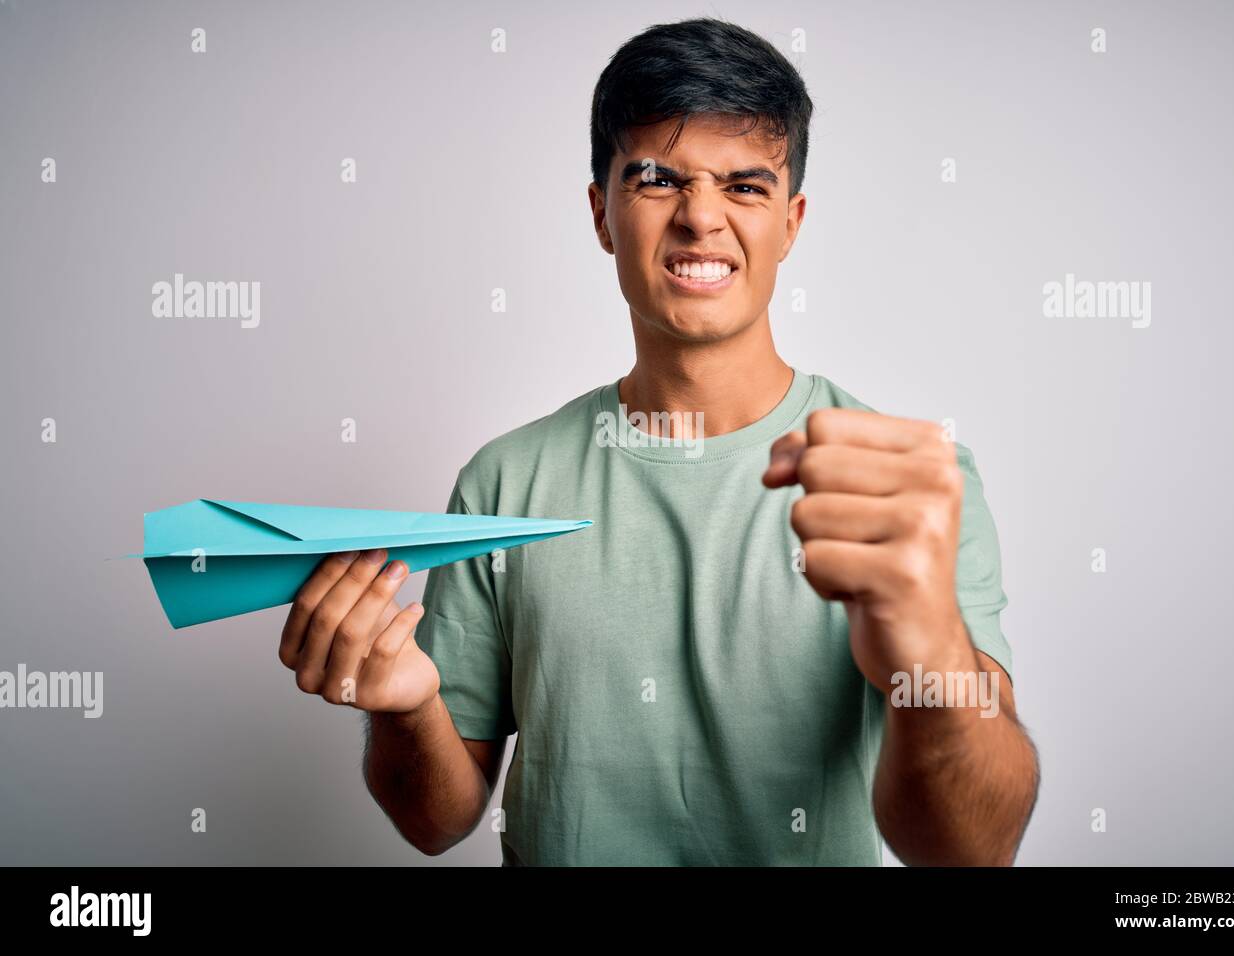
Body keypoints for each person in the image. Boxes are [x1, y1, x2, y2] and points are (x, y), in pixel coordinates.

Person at [278, 17, 1039, 866]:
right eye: (656, 179)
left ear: (791, 223)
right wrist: (404, 707)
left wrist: (927, 640)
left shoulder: (907, 484)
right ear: (602, 214)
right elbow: (436, 822)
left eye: (745, 187)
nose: (701, 218)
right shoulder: (504, 482)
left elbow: (972, 849)